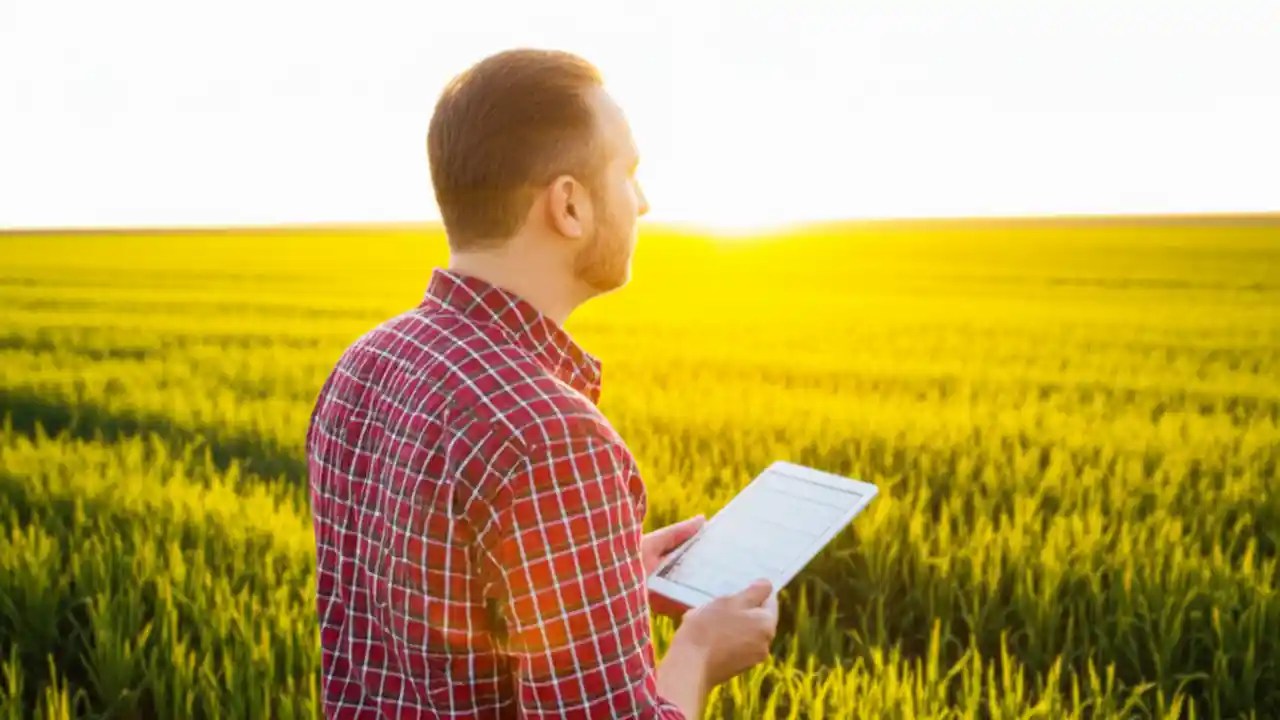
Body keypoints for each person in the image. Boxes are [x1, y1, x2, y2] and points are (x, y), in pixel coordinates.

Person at [305, 48, 779, 719]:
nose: (643, 203)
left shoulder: (366, 363)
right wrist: (699, 652)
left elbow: (428, 623)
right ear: (569, 206)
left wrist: (601, 580)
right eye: (629, 174)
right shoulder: (550, 436)